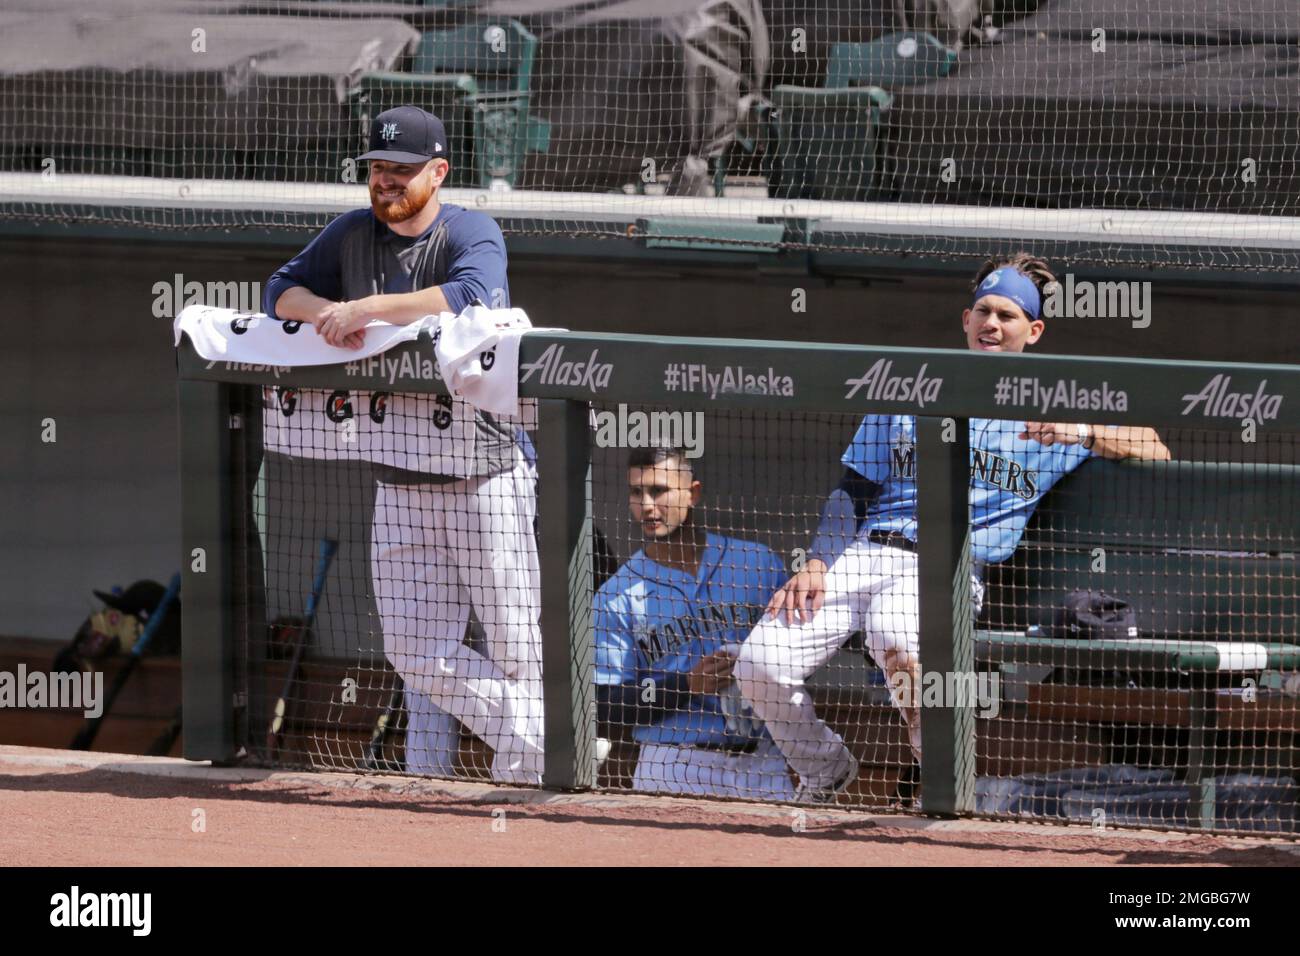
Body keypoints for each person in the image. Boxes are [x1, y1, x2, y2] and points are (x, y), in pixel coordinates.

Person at [733, 252, 1173, 805]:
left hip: (948, 565)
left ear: (1033, 331)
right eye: (983, 311)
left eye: (1007, 316)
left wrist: (1082, 430)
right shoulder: (915, 384)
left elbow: (1156, 449)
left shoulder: (1057, 399)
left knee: (896, 634)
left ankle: (939, 778)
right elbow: (854, 487)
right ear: (965, 320)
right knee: (758, 664)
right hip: (866, 552)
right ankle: (826, 773)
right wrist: (818, 560)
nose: (992, 323)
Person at [262, 106, 543, 784]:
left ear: (438, 171)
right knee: (415, 654)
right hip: (398, 476)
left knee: (514, 651)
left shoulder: (470, 229)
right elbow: (278, 289)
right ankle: (544, 739)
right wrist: (324, 313)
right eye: (377, 169)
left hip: (486, 473)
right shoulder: (352, 234)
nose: (385, 182)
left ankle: (532, 785)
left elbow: (474, 295)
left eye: (401, 170)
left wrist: (367, 309)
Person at [594, 446, 796, 801]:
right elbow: (607, 702)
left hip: (765, 761)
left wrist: (759, 668)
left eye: (658, 491)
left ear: (693, 493)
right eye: (636, 492)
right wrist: (686, 684)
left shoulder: (757, 562)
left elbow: (803, 656)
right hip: (675, 763)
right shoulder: (617, 594)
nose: (647, 506)